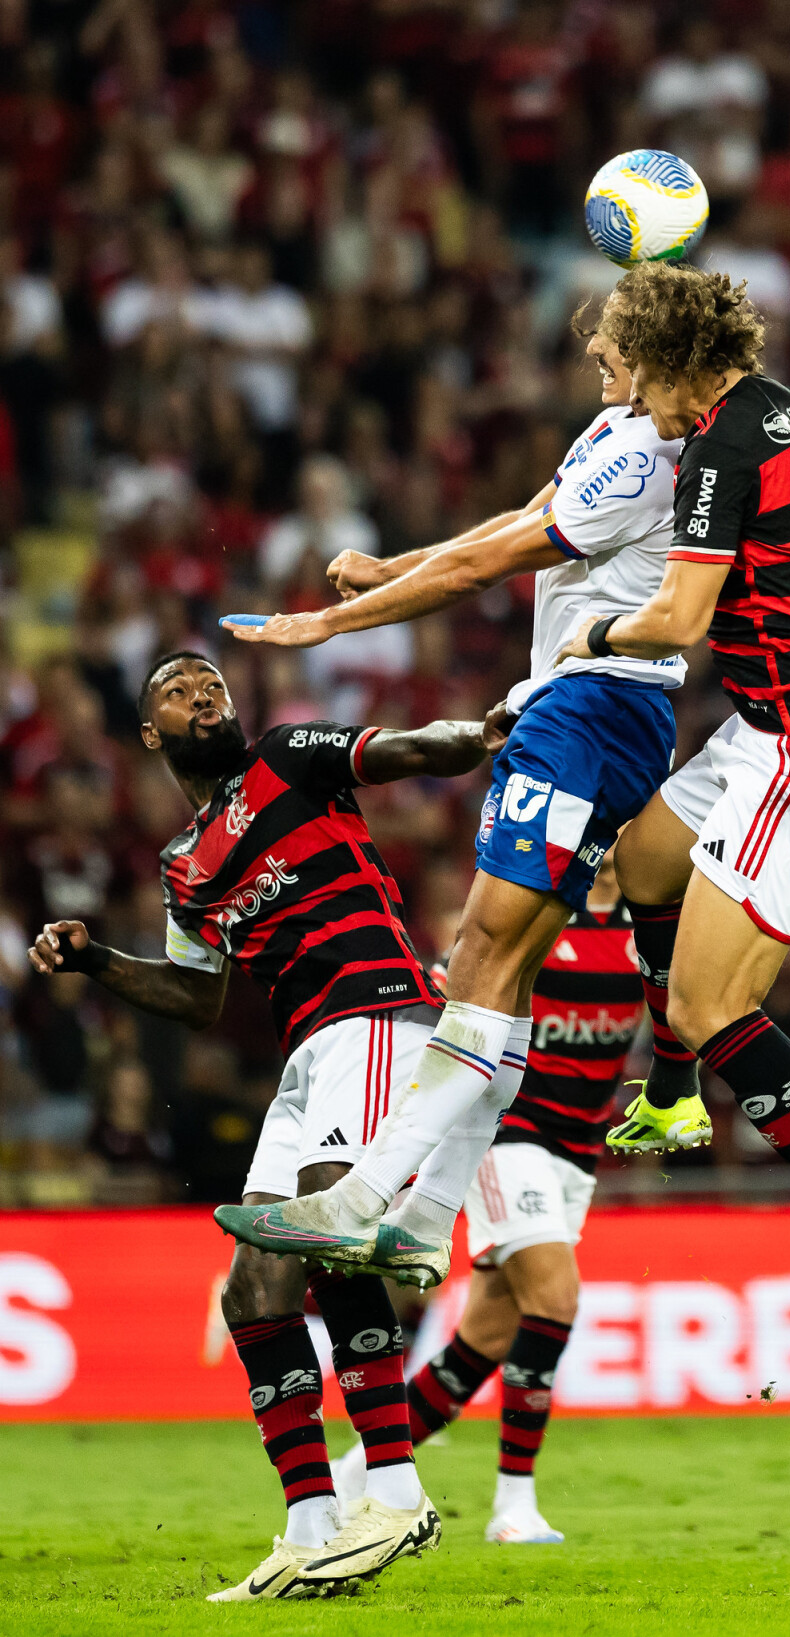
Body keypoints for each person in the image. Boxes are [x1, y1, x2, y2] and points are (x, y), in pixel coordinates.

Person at [212, 301, 709, 1277]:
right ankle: (427, 1217)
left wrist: (325, 627)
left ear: (647, 353)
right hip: (626, 718)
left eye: (606, 340)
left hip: (586, 712)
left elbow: (493, 561)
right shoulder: (622, 429)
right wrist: (399, 565)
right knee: (510, 969)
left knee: (481, 949)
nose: (591, 352)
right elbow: (521, 518)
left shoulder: (645, 457)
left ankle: (362, 1196)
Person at [28, 650, 504, 1598]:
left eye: (214, 683)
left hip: (374, 1011)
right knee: (253, 1291)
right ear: (151, 733)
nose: (206, 695)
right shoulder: (182, 869)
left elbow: (402, 750)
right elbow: (199, 996)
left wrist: (474, 737)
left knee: (330, 1225)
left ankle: (397, 1489)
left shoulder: (289, 759)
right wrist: (98, 962)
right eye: (179, 690)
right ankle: (311, 1524)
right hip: (305, 1055)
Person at [556, 264, 790, 1347]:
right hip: (772, 724)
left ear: (670, 361)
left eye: (630, 374)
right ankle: (671, 1094)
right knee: (639, 865)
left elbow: (680, 616)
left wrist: (595, 635)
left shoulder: (721, 447)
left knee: (713, 1010)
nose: (625, 401)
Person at [333, 850, 641, 1545]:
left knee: (486, 1339)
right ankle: (514, 1506)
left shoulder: (648, 920)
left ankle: (358, 1472)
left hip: (577, 1147)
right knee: (556, 1298)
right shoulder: (539, 907)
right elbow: (458, 987)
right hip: (508, 1132)